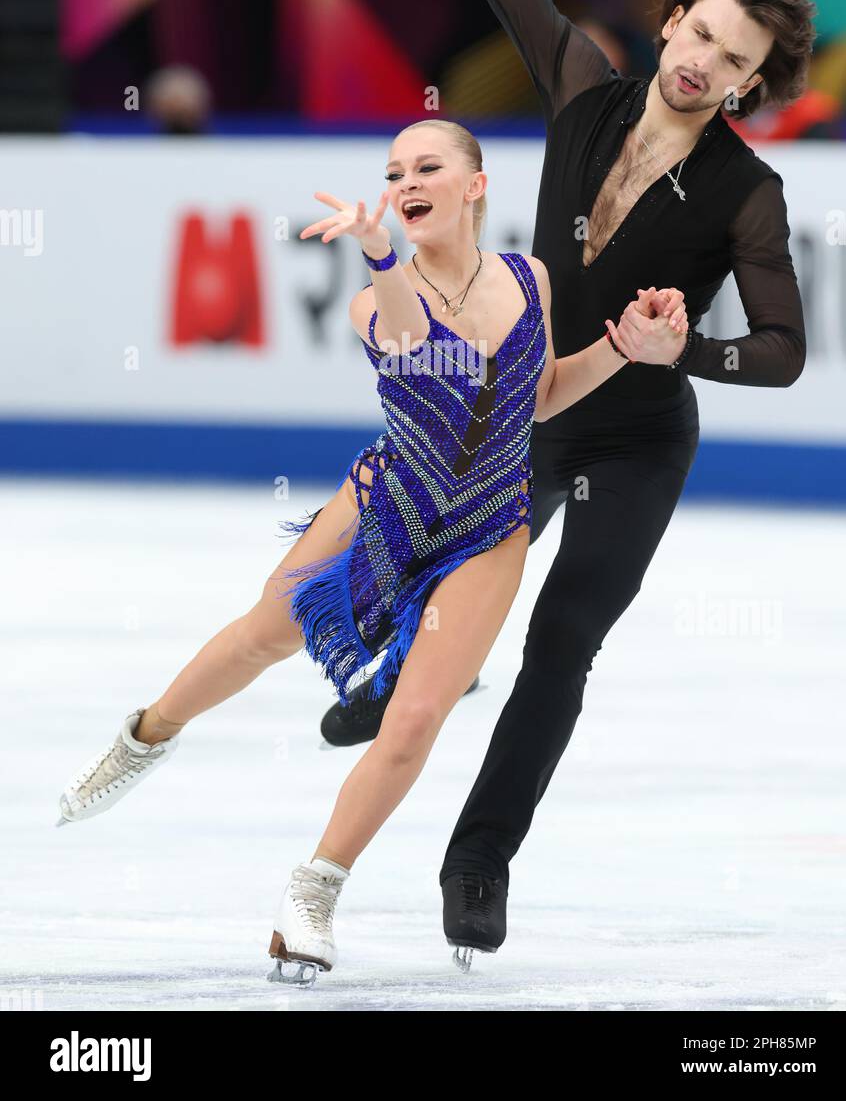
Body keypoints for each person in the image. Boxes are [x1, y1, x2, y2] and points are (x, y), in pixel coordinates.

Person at [314, 0, 812, 964]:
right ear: (670, 21)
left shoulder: (746, 191)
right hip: (527, 403)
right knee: (441, 575)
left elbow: (788, 352)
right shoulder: (583, 89)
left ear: (750, 85)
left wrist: (679, 345)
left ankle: (478, 857)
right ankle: (399, 684)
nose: (702, 60)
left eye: (731, 59)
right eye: (697, 31)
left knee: (562, 638)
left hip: (635, 435)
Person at [55, 115, 687, 985]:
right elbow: (413, 346)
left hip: (487, 527)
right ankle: (145, 736)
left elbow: (538, 400)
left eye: (428, 166)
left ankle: (314, 891)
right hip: (385, 509)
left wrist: (625, 350)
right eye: (395, 172)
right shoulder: (373, 297)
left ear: (475, 186)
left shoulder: (529, 278)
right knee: (260, 637)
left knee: (418, 715)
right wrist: (384, 260)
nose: (406, 182)